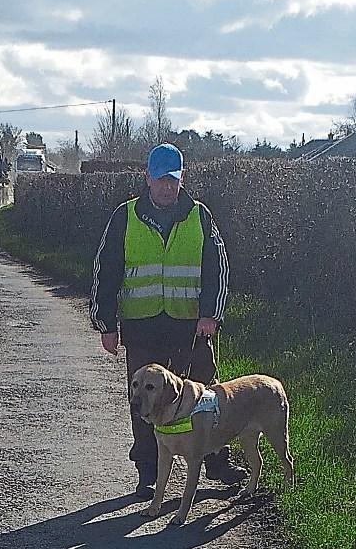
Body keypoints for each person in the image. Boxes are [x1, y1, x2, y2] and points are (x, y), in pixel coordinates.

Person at [89, 142, 247, 500]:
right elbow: (106, 271)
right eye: (161, 179)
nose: (167, 186)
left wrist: (211, 314)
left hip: (189, 325)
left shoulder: (200, 216)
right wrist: (106, 323)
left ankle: (216, 461)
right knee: (144, 400)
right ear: (147, 178)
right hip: (142, 325)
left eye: (173, 180)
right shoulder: (125, 216)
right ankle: (148, 471)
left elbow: (217, 269)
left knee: (207, 395)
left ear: (182, 178)